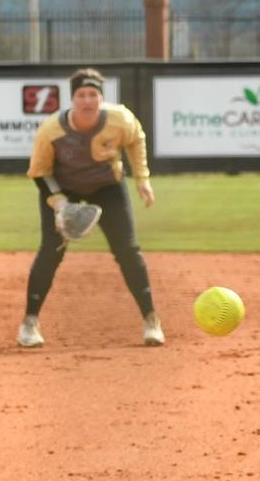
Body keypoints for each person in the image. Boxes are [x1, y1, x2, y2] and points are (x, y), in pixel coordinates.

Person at [17, 68, 161, 348]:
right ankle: (29, 323)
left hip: (106, 187)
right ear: (72, 99)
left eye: (93, 94)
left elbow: (136, 139)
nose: (87, 101)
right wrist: (59, 204)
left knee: (128, 250)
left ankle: (151, 319)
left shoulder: (119, 119)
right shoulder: (51, 129)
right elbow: (39, 171)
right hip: (63, 188)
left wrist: (142, 178)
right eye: (81, 95)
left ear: (100, 98)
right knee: (51, 251)